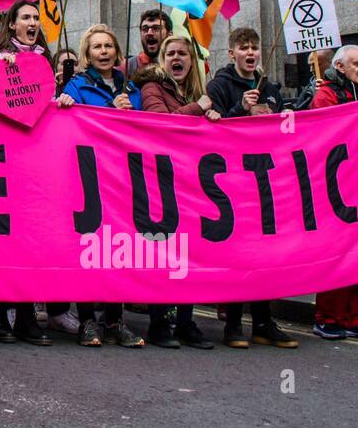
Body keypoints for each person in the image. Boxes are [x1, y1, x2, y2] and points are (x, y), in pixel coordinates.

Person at [203, 27, 298, 348]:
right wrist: (240, 109)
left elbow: (285, 133)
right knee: (238, 254)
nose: (250, 53)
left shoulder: (270, 87)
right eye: (244, 48)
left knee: (266, 255)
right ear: (232, 54)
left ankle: (263, 322)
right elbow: (211, 133)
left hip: (267, 182)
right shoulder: (219, 86)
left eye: (254, 48)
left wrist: (285, 116)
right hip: (233, 183)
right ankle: (232, 323)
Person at [57, 24, 144, 347]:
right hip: (88, 177)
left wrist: (130, 112)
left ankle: (115, 320)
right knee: (89, 248)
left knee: (117, 249)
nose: (104, 52)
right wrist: (108, 110)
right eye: (97, 47)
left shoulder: (131, 88)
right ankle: (87, 321)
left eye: (109, 46)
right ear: (87, 54)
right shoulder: (77, 86)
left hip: (121, 178)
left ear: (117, 52)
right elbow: (75, 127)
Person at [133, 34, 221, 349]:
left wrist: (212, 118)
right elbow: (160, 123)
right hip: (162, 182)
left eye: (182, 53)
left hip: (192, 184)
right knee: (164, 254)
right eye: (170, 53)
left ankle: (186, 322)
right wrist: (199, 109)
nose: (176, 58)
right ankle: (159, 323)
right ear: (163, 60)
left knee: (190, 254)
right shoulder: (152, 88)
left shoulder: (199, 91)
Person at [0, 1, 57, 346]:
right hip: (1, 162)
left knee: (33, 242)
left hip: (36, 164)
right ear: (11, 25)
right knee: (2, 241)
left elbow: (49, 104)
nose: (32, 22)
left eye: (35, 18)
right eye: (25, 17)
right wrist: (4, 74)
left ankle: (26, 317)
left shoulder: (44, 60)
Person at [308, 44, 358, 341]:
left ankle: (354, 316)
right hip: (335, 187)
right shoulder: (326, 95)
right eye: (357, 64)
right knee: (337, 253)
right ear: (340, 67)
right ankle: (327, 316)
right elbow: (323, 134)